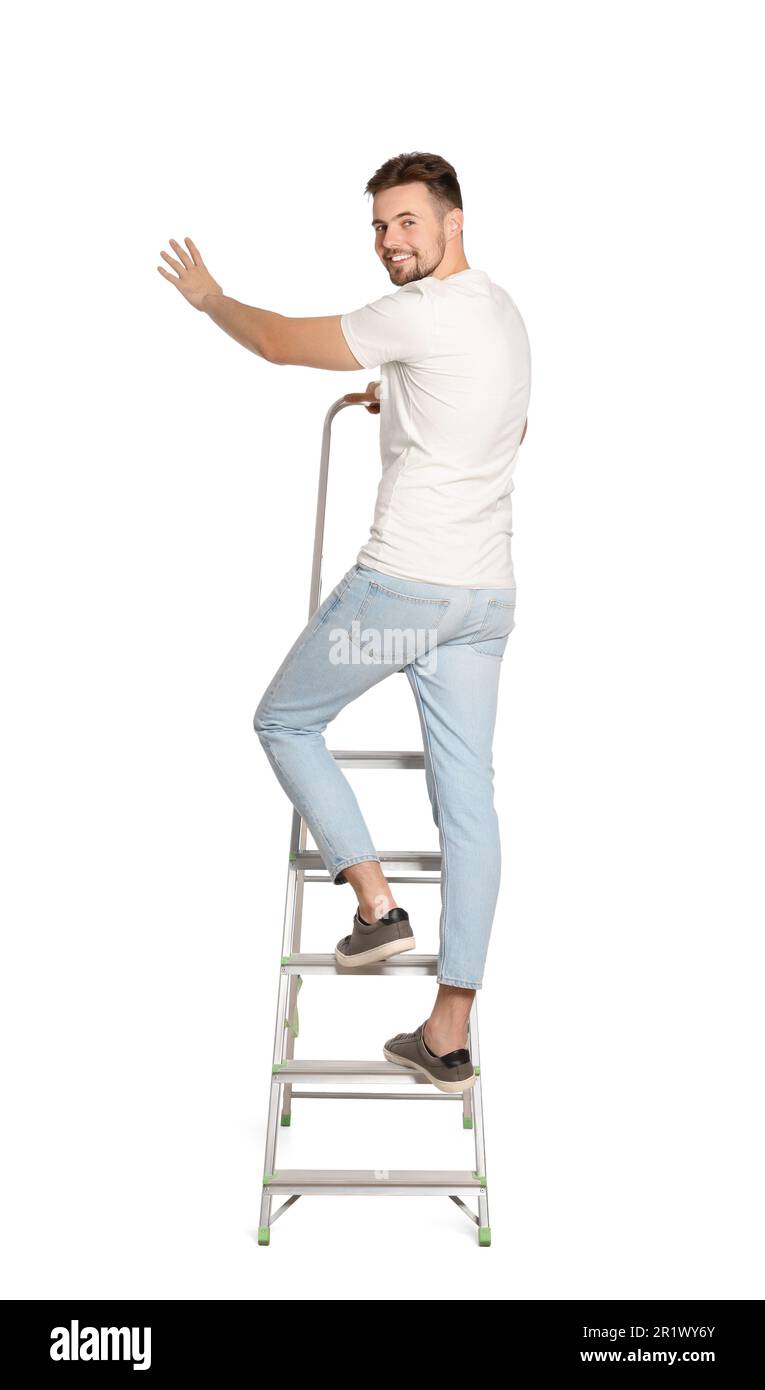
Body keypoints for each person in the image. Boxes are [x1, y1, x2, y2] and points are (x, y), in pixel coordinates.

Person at [157, 151, 531, 1094]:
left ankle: (373, 906)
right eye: (378, 226)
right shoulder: (501, 315)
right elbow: (497, 426)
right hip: (482, 603)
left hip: (404, 591)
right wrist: (397, 395)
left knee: (284, 719)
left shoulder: (412, 315)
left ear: (452, 220)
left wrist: (210, 298)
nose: (389, 241)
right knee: (470, 809)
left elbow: (281, 342)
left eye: (407, 221)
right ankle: (448, 1033)